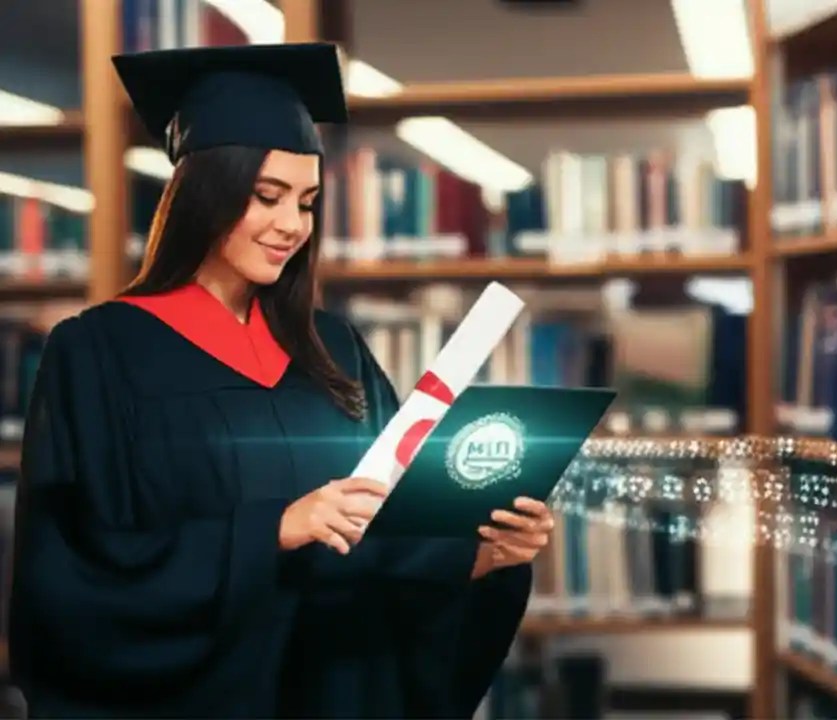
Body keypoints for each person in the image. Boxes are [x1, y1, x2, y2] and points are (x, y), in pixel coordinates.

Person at [7, 42, 553, 718]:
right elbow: (72, 582)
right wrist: (273, 530)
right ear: (205, 193)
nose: (291, 226)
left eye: (308, 202)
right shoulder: (99, 353)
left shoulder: (336, 351)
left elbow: (385, 545)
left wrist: (479, 558)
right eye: (267, 197)